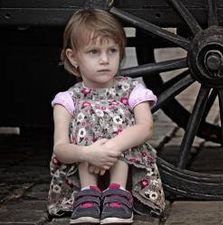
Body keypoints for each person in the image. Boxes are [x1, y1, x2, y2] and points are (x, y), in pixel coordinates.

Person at [47, 9, 165, 224]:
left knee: (121, 122)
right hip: (83, 164)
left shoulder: (132, 90)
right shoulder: (68, 100)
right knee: (86, 117)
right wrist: (90, 153)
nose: (105, 59)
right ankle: (88, 192)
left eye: (112, 50)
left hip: (123, 163)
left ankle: (117, 191)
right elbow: (61, 148)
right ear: (73, 57)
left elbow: (145, 127)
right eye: (94, 52)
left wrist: (110, 148)